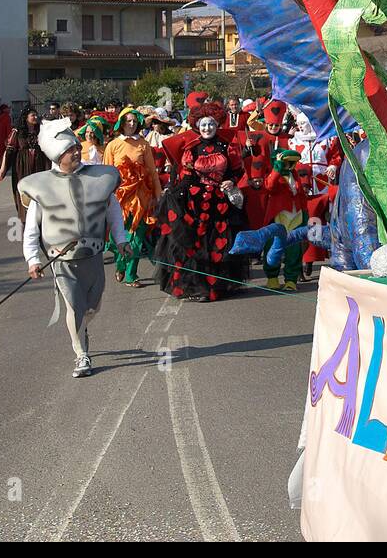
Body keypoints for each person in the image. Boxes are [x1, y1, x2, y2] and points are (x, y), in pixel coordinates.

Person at [21, 119, 131, 378]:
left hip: (93, 257)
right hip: (62, 261)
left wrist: (122, 239)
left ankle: (81, 327)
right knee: (74, 307)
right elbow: (31, 229)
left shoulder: (100, 177)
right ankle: (81, 354)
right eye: (70, 149)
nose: (76, 151)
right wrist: (32, 259)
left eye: (75, 147)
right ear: (59, 155)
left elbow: (113, 211)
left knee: (93, 306)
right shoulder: (41, 186)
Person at [153, 101, 248, 302]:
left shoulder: (226, 145)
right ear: (197, 125)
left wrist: (230, 181)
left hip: (221, 201)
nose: (207, 128)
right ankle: (198, 287)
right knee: (195, 244)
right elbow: (187, 175)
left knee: (218, 244)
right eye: (204, 124)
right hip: (196, 201)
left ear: (217, 125)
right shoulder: (192, 148)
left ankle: (218, 286)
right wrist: (175, 193)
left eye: (211, 124)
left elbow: (237, 170)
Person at [104, 107, 164, 287]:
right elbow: (106, 173)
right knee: (117, 236)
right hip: (119, 197)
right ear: (122, 123)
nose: (132, 124)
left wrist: (157, 194)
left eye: (134, 121)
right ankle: (121, 264)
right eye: (128, 121)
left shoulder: (143, 144)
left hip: (140, 197)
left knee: (137, 236)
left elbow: (152, 172)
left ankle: (131, 274)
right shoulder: (113, 145)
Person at [0, 107, 50, 222]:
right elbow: (8, 151)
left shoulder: (41, 130)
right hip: (22, 167)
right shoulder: (17, 132)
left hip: (39, 166)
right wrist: (2, 170)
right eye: (32, 115)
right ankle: (26, 220)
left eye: (36, 115)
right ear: (26, 117)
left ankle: (41, 219)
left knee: (39, 192)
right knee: (24, 193)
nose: (35, 117)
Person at [262, 147, 306, 291]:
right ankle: (272, 278)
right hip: (278, 218)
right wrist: (278, 166)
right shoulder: (273, 174)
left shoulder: (295, 175)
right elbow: (269, 186)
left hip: (295, 217)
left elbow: (301, 196)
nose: (288, 165)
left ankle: (291, 280)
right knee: (273, 249)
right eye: (286, 162)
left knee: (294, 251)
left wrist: (305, 215)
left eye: (290, 163)